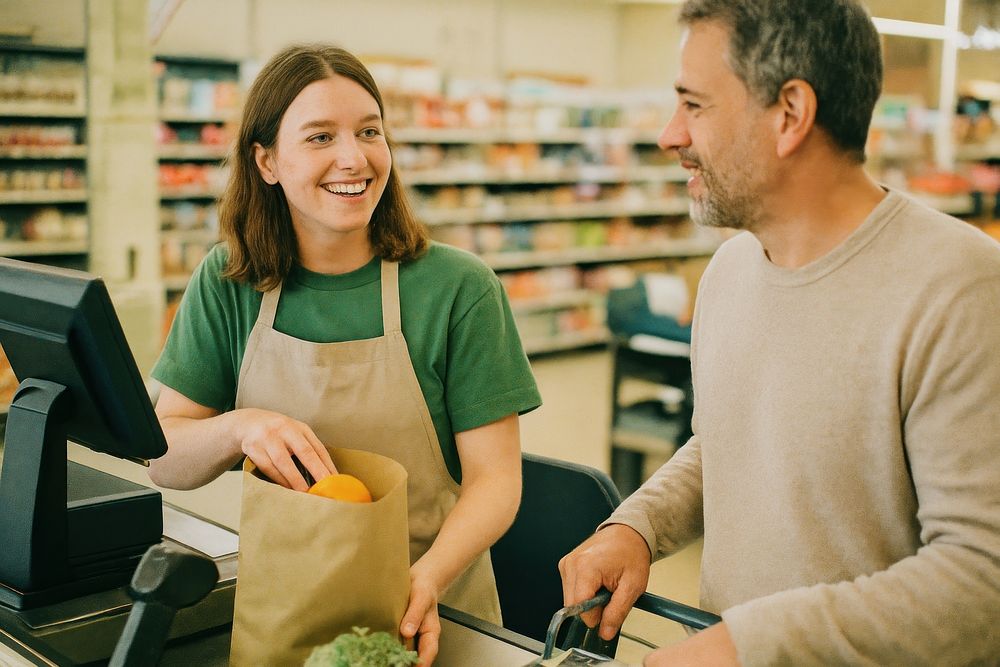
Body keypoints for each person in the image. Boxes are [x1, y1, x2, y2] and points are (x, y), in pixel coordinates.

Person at [559, 1, 1000, 664]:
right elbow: (729, 444)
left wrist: (750, 643)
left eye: (695, 105)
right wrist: (639, 526)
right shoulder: (730, 270)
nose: (669, 134)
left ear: (790, 114)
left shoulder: (962, 288)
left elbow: (980, 580)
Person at [148, 44, 541, 666]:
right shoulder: (228, 283)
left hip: (433, 610)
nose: (353, 158)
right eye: (320, 136)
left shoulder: (458, 289)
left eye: (369, 132)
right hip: (287, 606)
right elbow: (166, 460)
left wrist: (427, 580)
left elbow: (496, 481)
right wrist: (241, 427)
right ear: (267, 161)